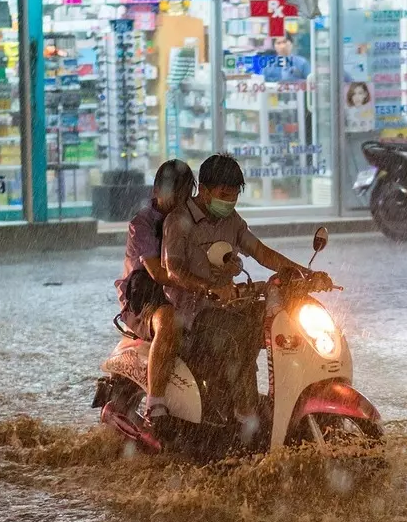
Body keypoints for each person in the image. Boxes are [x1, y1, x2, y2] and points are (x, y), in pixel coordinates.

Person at [162, 153, 314, 439]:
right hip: (191, 317)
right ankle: (244, 415)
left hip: (226, 308)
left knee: (277, 323)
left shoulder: (231, 220)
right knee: (238, 334)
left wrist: (301, 273)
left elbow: (260, 251)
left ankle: (276, 403)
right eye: (223, 194)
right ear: (204, 190)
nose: (229, 201)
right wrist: (208, 288)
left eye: (234, 195)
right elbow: (174, 270)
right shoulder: (178, 220)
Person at [113, 159, 196, 443]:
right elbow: (157, 273)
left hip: (184, 296)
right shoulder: (143, 224)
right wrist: (202, 283)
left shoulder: (194, 222)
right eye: (175, 192)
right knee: (169, 322)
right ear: (157, 189)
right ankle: (155, 403)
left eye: (186, 193)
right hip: (145, 298)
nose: (180, 200)